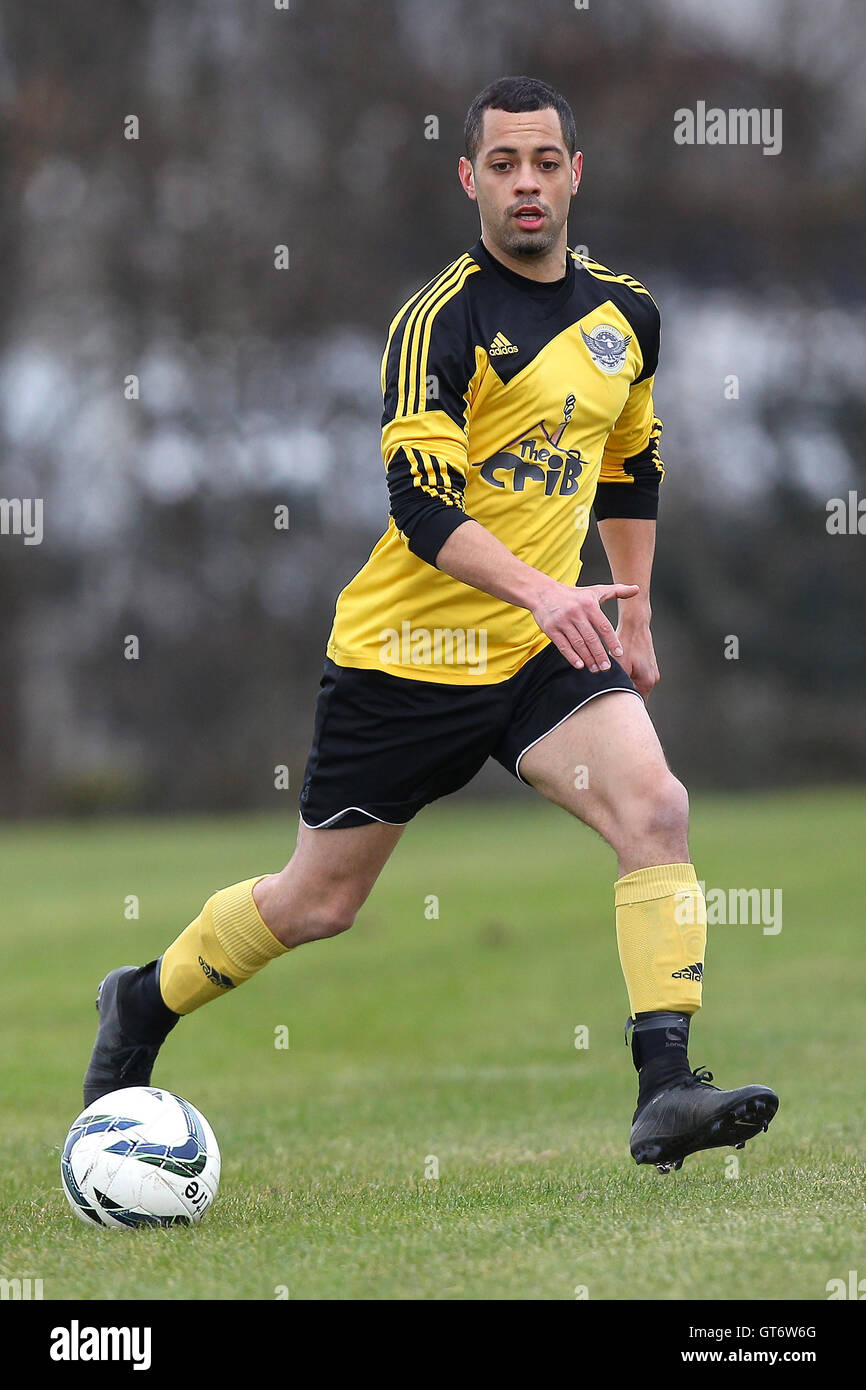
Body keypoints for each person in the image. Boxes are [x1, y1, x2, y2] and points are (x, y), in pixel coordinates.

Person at [83, 75, 777, 1173]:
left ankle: (664, 1093)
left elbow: (630, 463)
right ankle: (139, 1002)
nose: (526, 184)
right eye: (501, 164)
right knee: (316, 902)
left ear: (574, 172)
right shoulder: (438, 321)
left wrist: (628, 606)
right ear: (468, 180)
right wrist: (545, 589)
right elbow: (419, 508)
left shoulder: (626, 314)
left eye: (544, 161)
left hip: (542, 657)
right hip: (405, 659)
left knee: (655, 809)